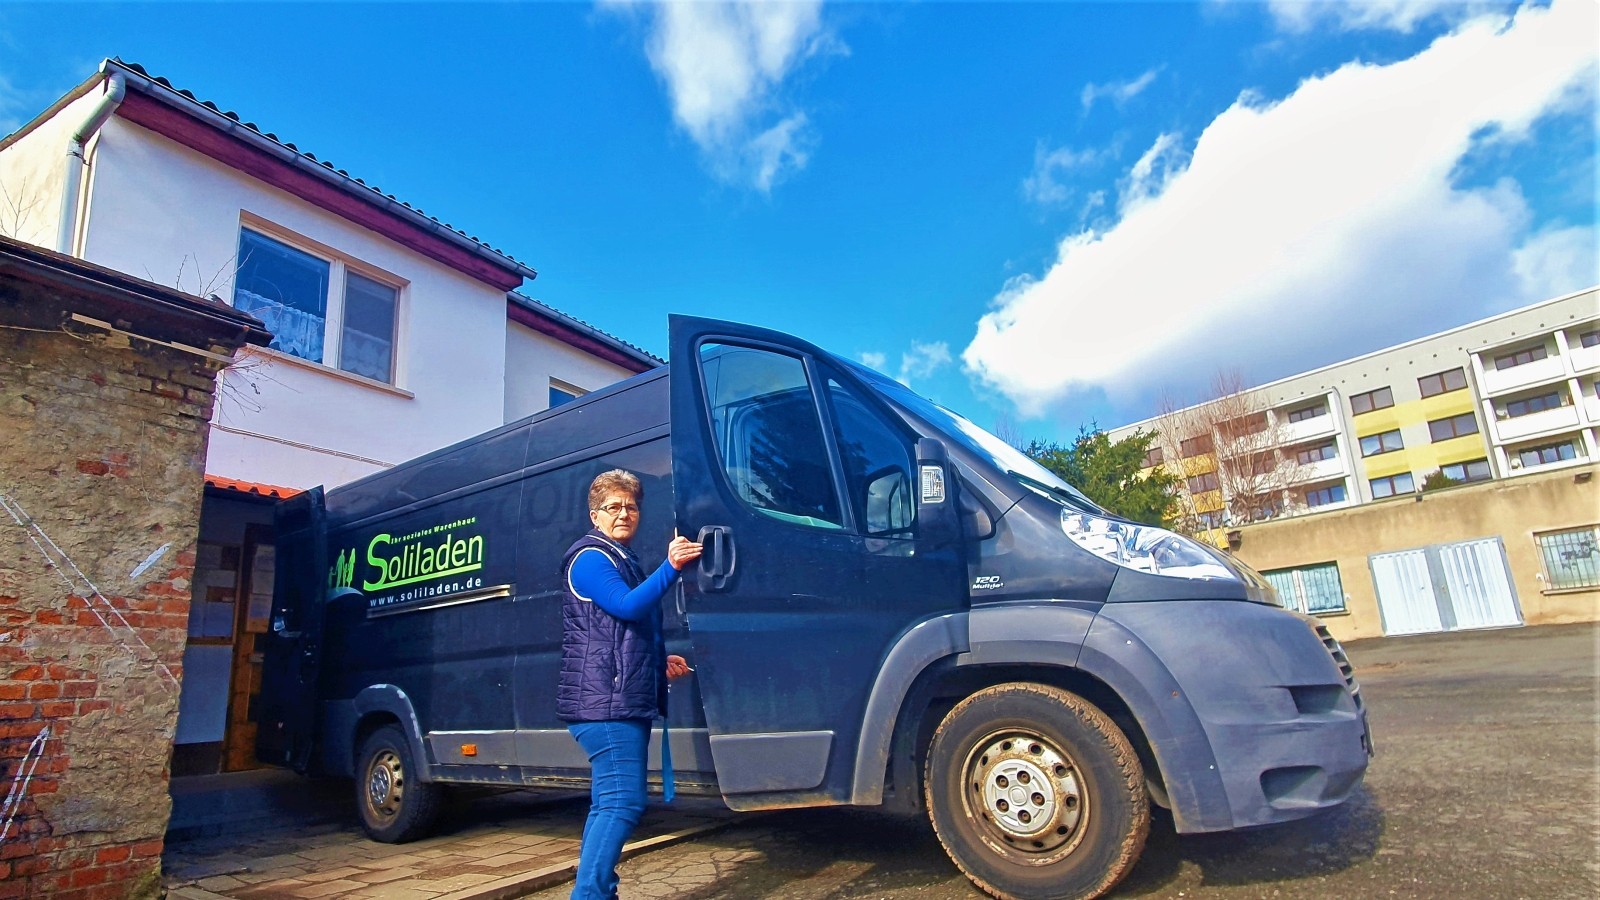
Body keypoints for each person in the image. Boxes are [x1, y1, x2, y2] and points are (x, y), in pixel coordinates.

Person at [559, 468, 702, 900]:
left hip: (616, 700)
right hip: (605, 706)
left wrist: (659, 661)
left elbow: (619, 635)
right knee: (623, 802)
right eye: (614, 507)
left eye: (631, 506)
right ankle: (590, 895)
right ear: (595, 514)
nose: (624, 513)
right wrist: (672, 566)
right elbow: (625, 606)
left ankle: (598, 891)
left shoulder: (621, 559)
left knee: (611, 803)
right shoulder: (589, 559)